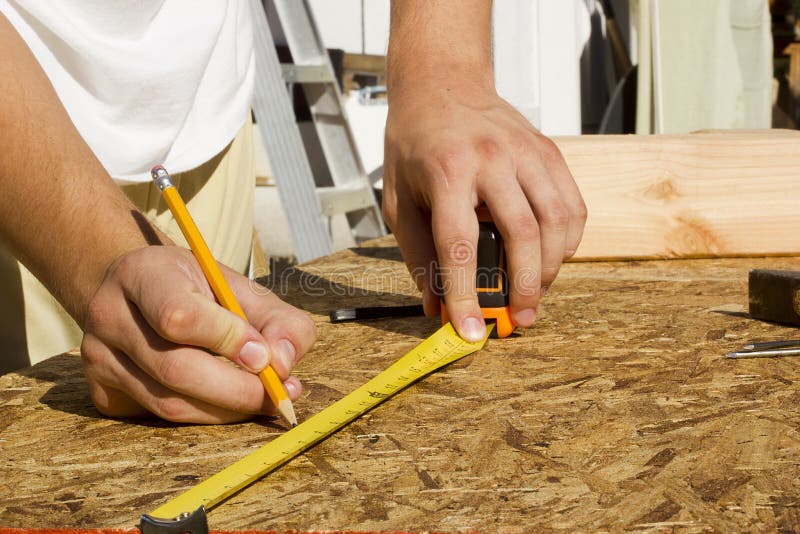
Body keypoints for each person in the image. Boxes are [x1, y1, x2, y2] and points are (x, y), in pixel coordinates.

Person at [0, 1, 585, 424]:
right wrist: (96, 254)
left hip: (206, 118)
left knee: (209, 387)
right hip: (19, 152)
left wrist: (443, 68)